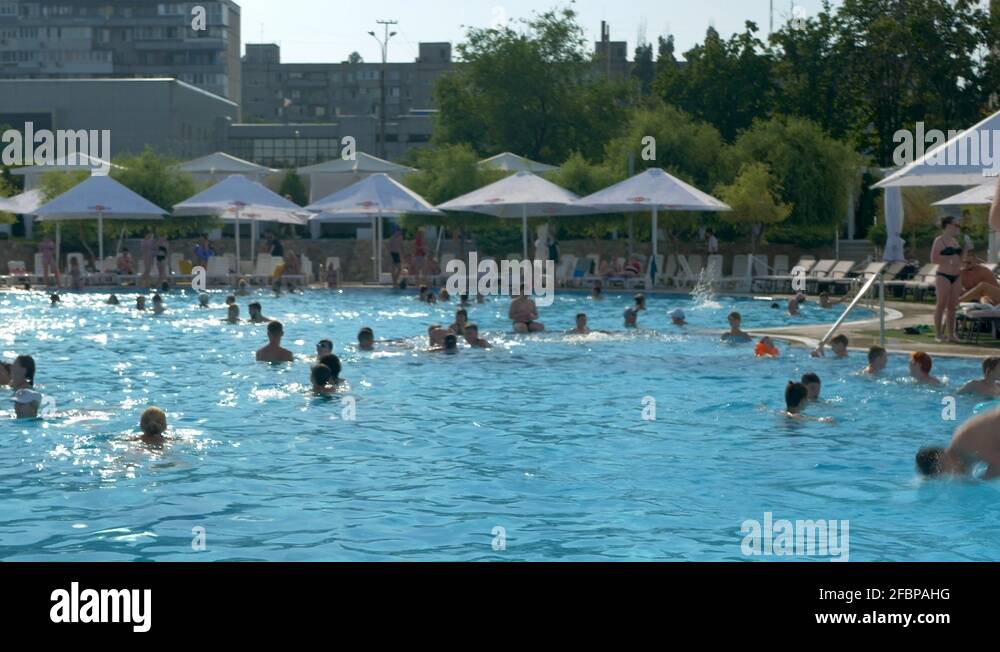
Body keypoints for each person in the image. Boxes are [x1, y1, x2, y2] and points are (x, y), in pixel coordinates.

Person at [916, 407, 1000, 479]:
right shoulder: (965, 454)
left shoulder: (967, 442)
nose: (952, 475)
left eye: (943, 472)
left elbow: (997, 465)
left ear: (942, 461)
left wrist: (980, 482)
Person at [931, 216, 969, 343]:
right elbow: (934, 259)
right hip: (943, 275)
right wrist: (948, 259)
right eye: (956, 225)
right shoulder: (939, 240)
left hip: (956, 275)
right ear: (948, 225)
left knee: (952, 306)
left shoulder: (955, 241)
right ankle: (938, 334)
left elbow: (961, 260)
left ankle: (951, 334)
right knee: (941, 304)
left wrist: (966, 248)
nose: (958, 227)